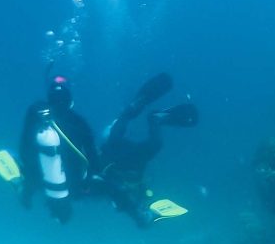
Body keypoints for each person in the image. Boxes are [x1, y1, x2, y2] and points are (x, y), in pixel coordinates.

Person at [93, 72, 198, 227]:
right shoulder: (124, 194)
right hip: (116, 153)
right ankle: (141, 109)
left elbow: (130, 203)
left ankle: (151, 116)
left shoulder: (122, 194)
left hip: (121, 158)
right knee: (122, 126)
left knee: (153, 143)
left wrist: (144, 217)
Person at [18, 74, 97, 224]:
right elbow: (92, 156)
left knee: (30, 179)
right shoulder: (79, 122)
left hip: (40, 176)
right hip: (72, 181)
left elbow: (24, 148)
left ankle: (24, 190)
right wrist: (87, 182)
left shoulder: (37, 117)